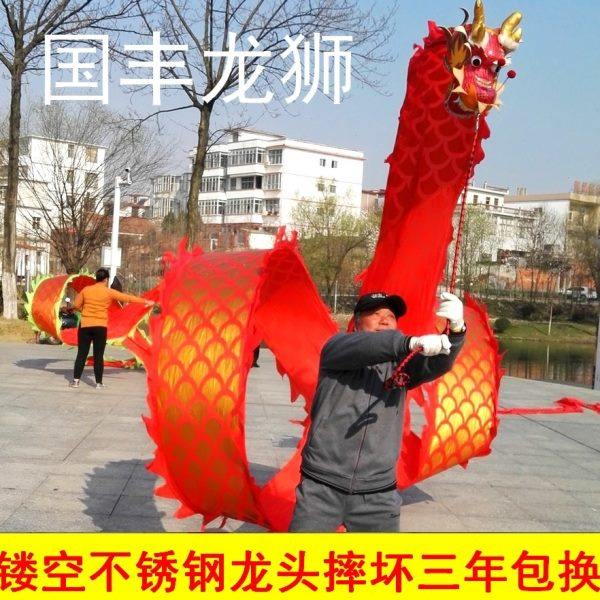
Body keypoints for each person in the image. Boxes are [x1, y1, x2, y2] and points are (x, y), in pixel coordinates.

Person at [289, 290, 466, 532]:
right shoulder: (337, 349)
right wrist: (408, 343)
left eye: (391, 316)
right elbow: (370, 346)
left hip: (378, 494)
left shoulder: (402, 367)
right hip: (321, 487)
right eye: (375, 313)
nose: (384, 320)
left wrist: (456, 330)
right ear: (356, 323)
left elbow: (440, 360)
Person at [70, 268, 154, 389]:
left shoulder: (86, 290)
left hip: (85, 326)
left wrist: (83, 310)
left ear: (97, 278)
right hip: (100, 326)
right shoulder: (108, 292)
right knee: (98, 356)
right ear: (106, 279)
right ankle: (98, 383)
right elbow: (127, 298)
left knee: (81, 354)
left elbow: (76, 305)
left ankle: (75, 381)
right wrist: (145, 301)